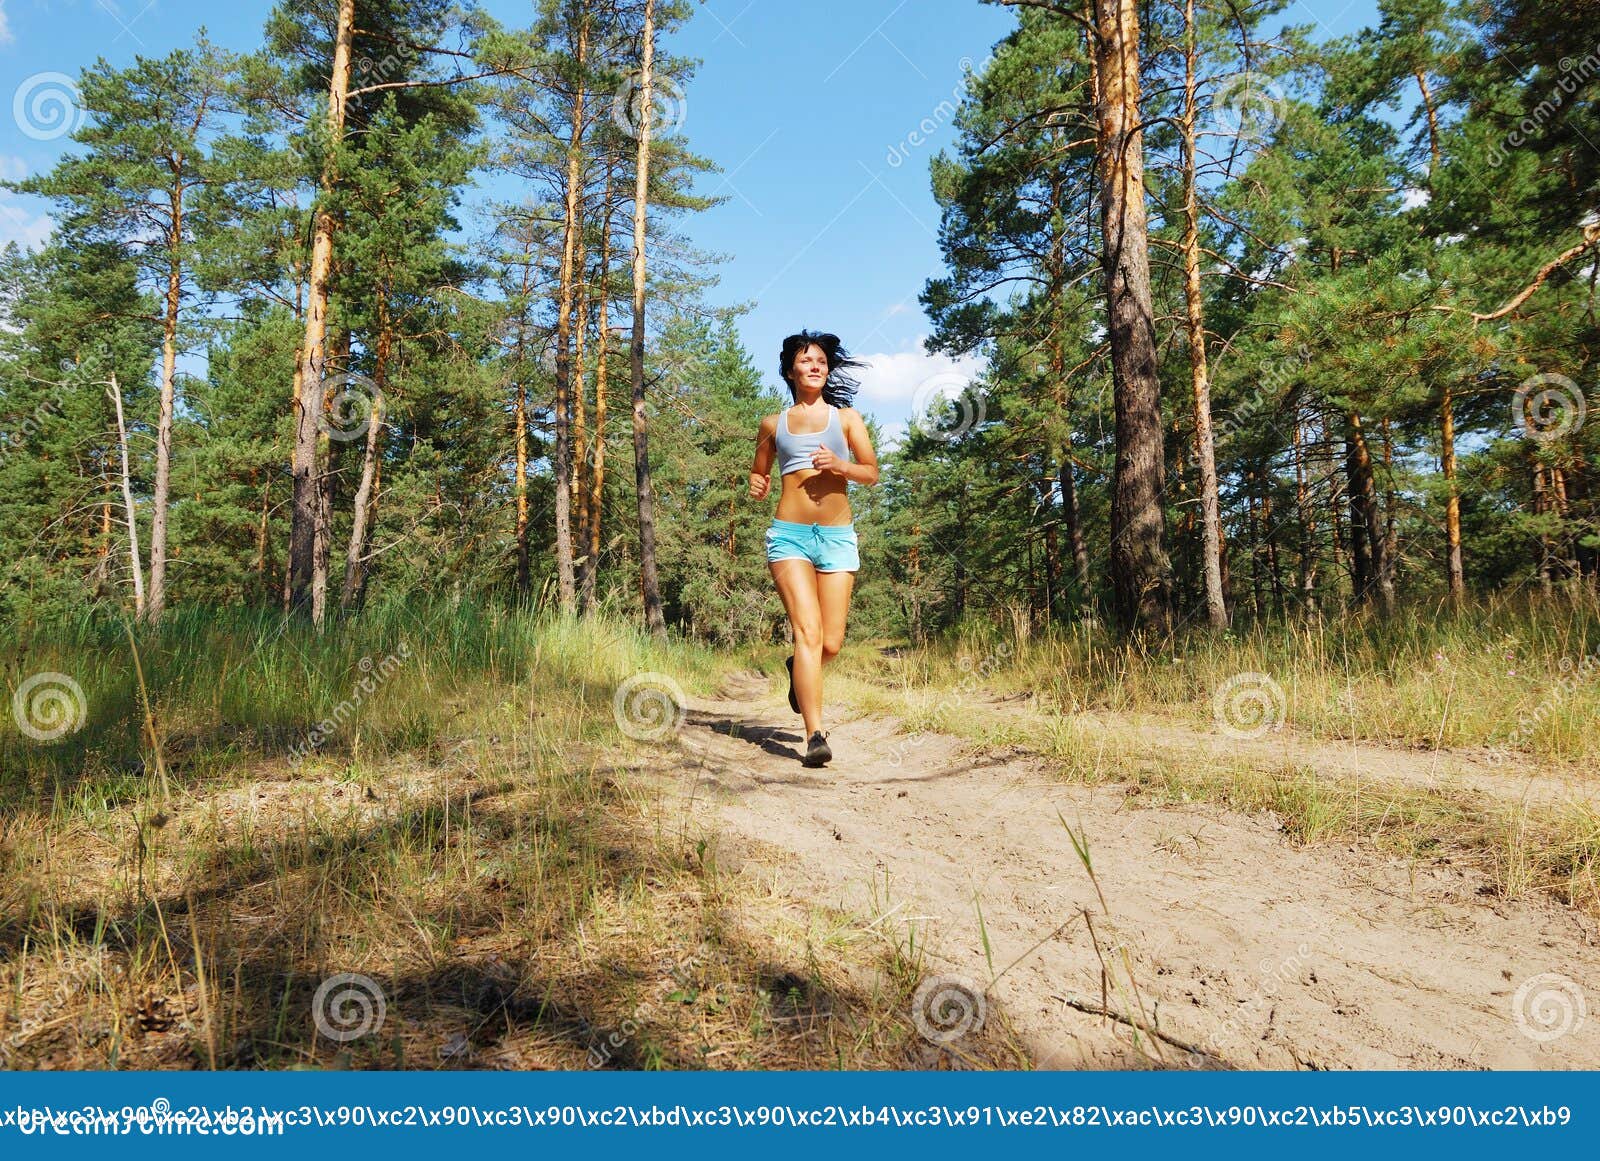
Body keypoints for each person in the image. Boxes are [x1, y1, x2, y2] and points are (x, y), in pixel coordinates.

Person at [748, 330, 880, 767]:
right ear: (791, 371)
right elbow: (760, 472)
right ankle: (815, 735)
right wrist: (757, 483)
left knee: (832, 642)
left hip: (838, 536)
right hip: (790, 536)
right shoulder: (773, 424)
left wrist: (841, 465)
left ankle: (797, 669)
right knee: (808, 632)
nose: (816, 365)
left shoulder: (847, 420)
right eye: (806, 360)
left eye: (822, 360)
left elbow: (871, 473)